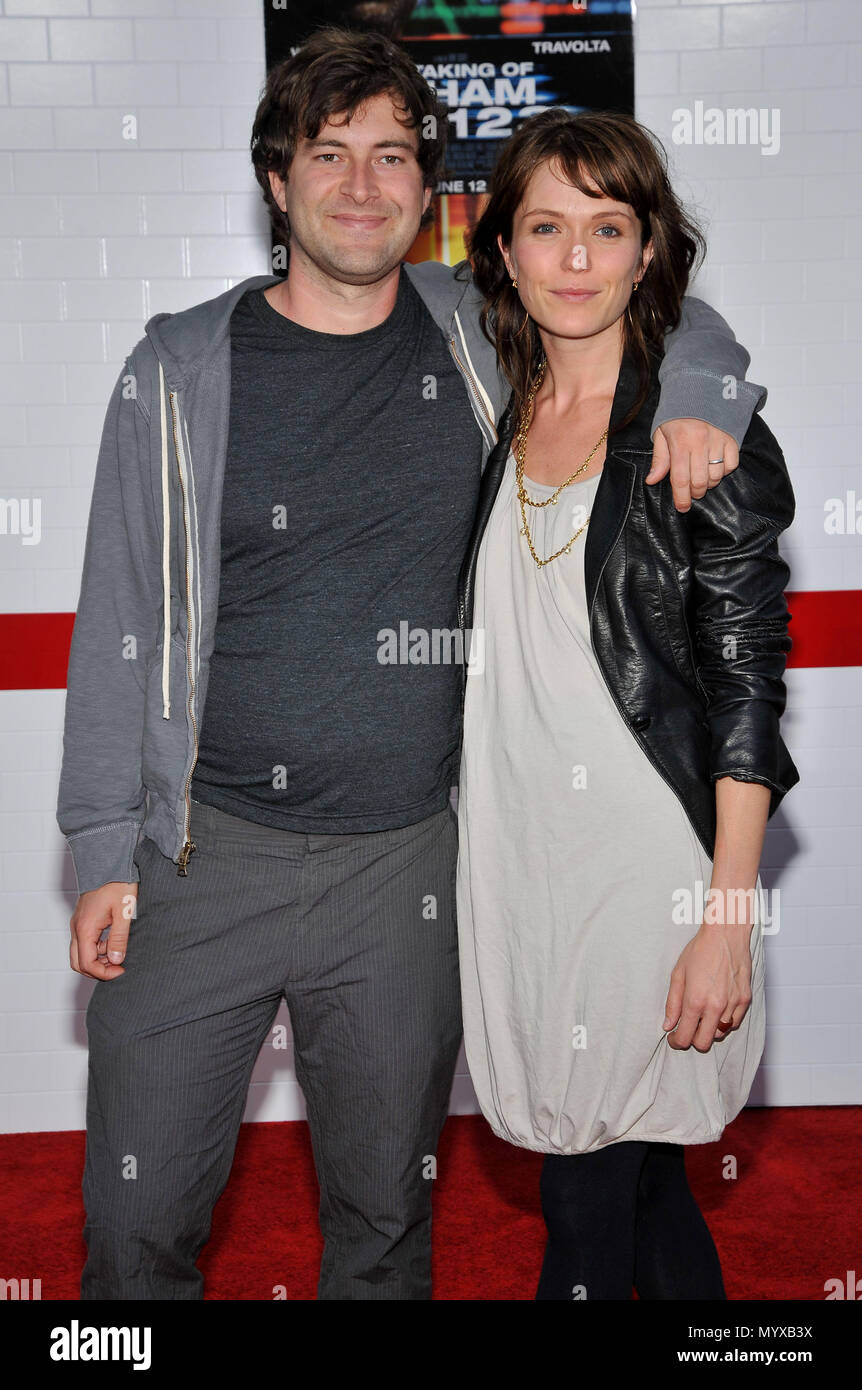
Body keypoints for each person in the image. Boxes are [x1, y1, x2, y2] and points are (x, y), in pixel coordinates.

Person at [57, 29, 764, 1301]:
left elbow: (649, 299)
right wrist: (104, 842)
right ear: (277, 181)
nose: (362, 184)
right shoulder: (179, 369)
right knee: (135, 1229)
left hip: (412, 867)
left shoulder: (476, 336)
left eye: (392, 155)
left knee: (384, 1227)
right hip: (200, 857)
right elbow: (119, 611)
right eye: (329, 154)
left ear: (430, 190)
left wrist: (706, 384)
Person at [455, 107, 799, 1300]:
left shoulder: (702, 439)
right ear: (502, 248)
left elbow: (751, 687)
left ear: (649, 248)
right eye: (547, 228)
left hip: (643, 868)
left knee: (585, 1199)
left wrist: (724, 914)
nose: (578, 259)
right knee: (637, 1186)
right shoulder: (490, 411)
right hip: (518, 863)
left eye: (608, 228)